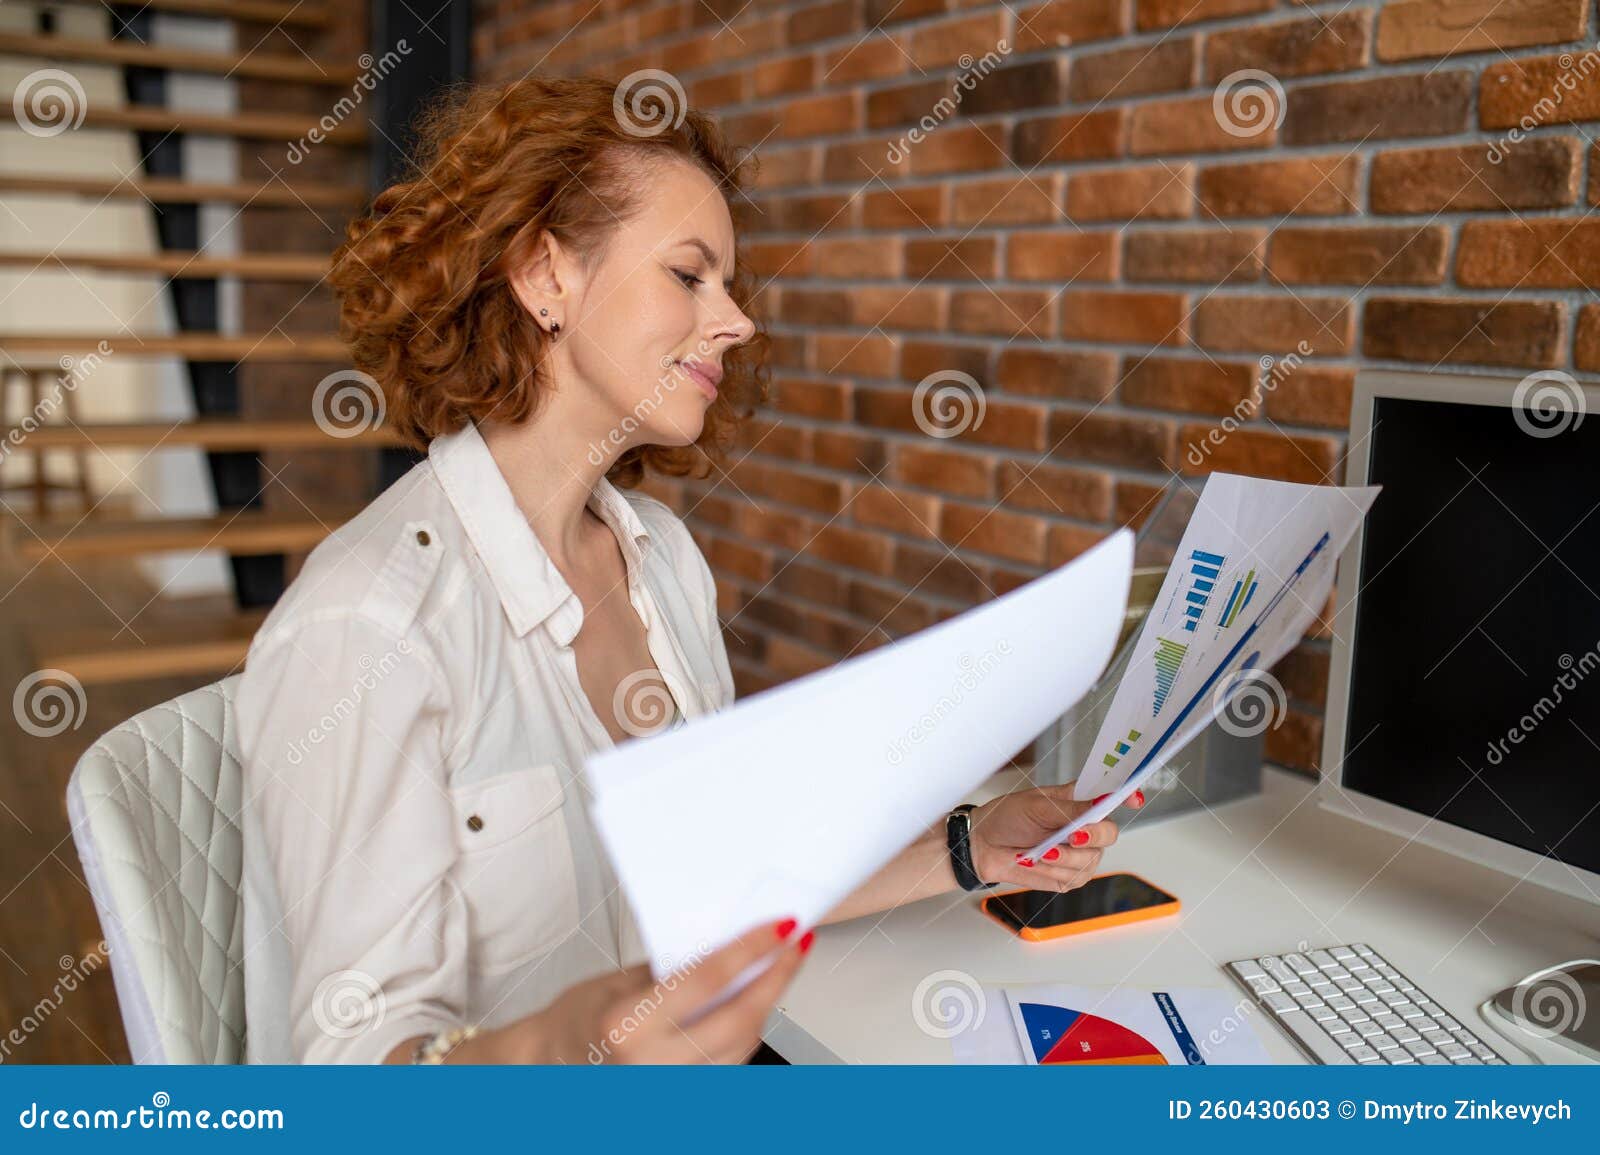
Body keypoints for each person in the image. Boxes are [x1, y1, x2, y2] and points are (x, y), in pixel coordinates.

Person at [234, 75, 1142, 1065]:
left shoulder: (662, 558)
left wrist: (970, 847)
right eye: (688, 276)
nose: (737, 321)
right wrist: (578, 1047)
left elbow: (725, 872)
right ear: (545, 278)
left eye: (730, 285)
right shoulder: (368, 627)